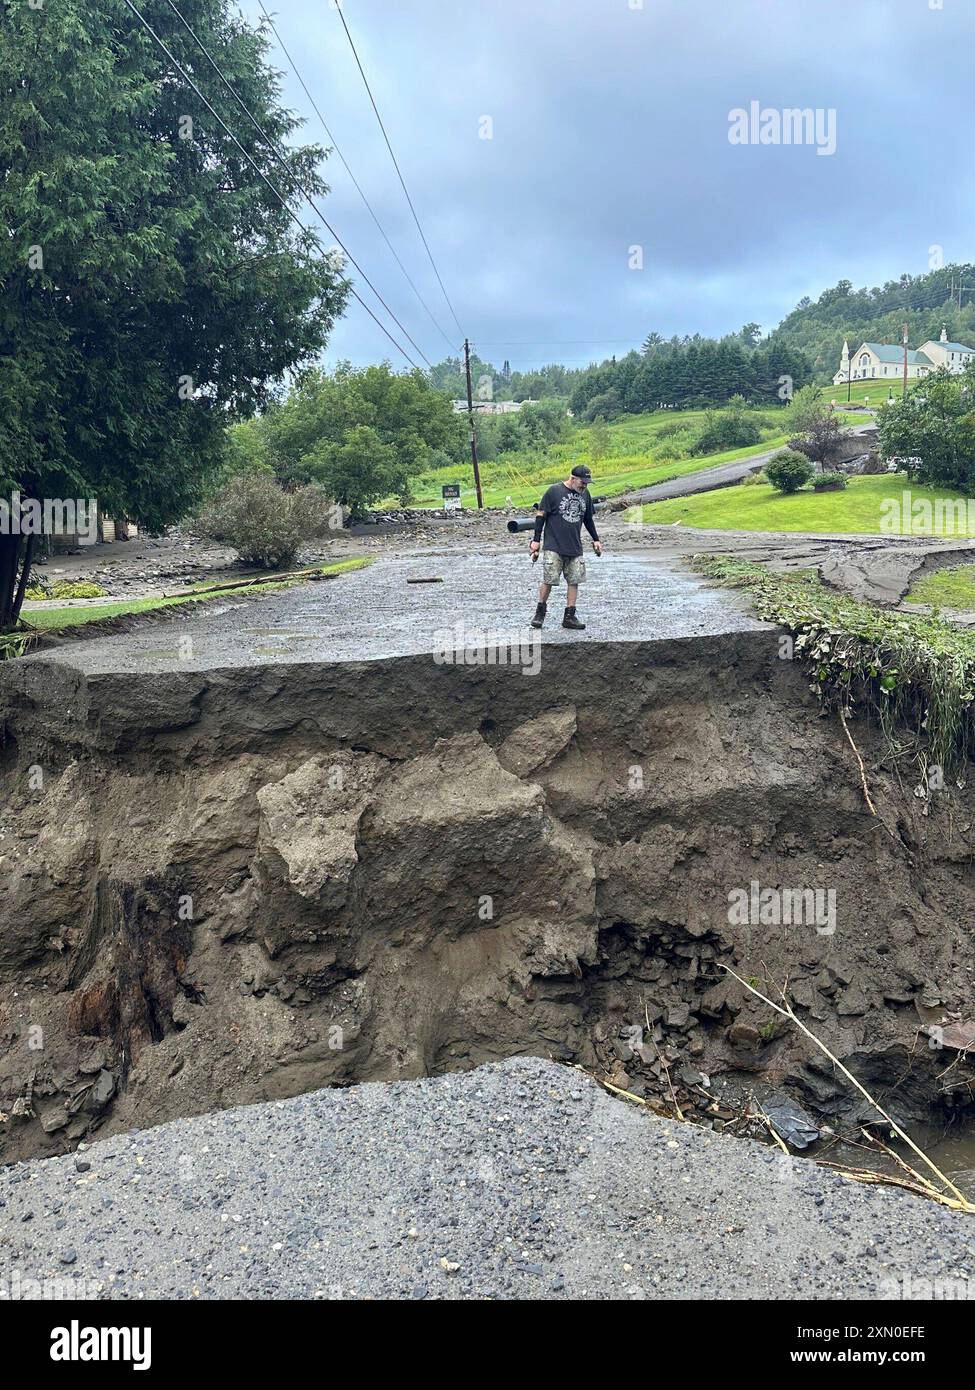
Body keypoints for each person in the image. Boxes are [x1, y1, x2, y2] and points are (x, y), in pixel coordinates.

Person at [529, 464, 602, 630]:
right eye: (582, 482)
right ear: (573, 478)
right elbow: (541, 516)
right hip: (553, 545)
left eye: (587, 483)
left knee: (574, 580)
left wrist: (596, 539)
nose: (585, 485)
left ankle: (569, 616)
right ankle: (540, 612)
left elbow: (588, 519)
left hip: (575, 545)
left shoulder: (585, 494)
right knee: (549, 579)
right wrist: (536, 540)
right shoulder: (554, 491)